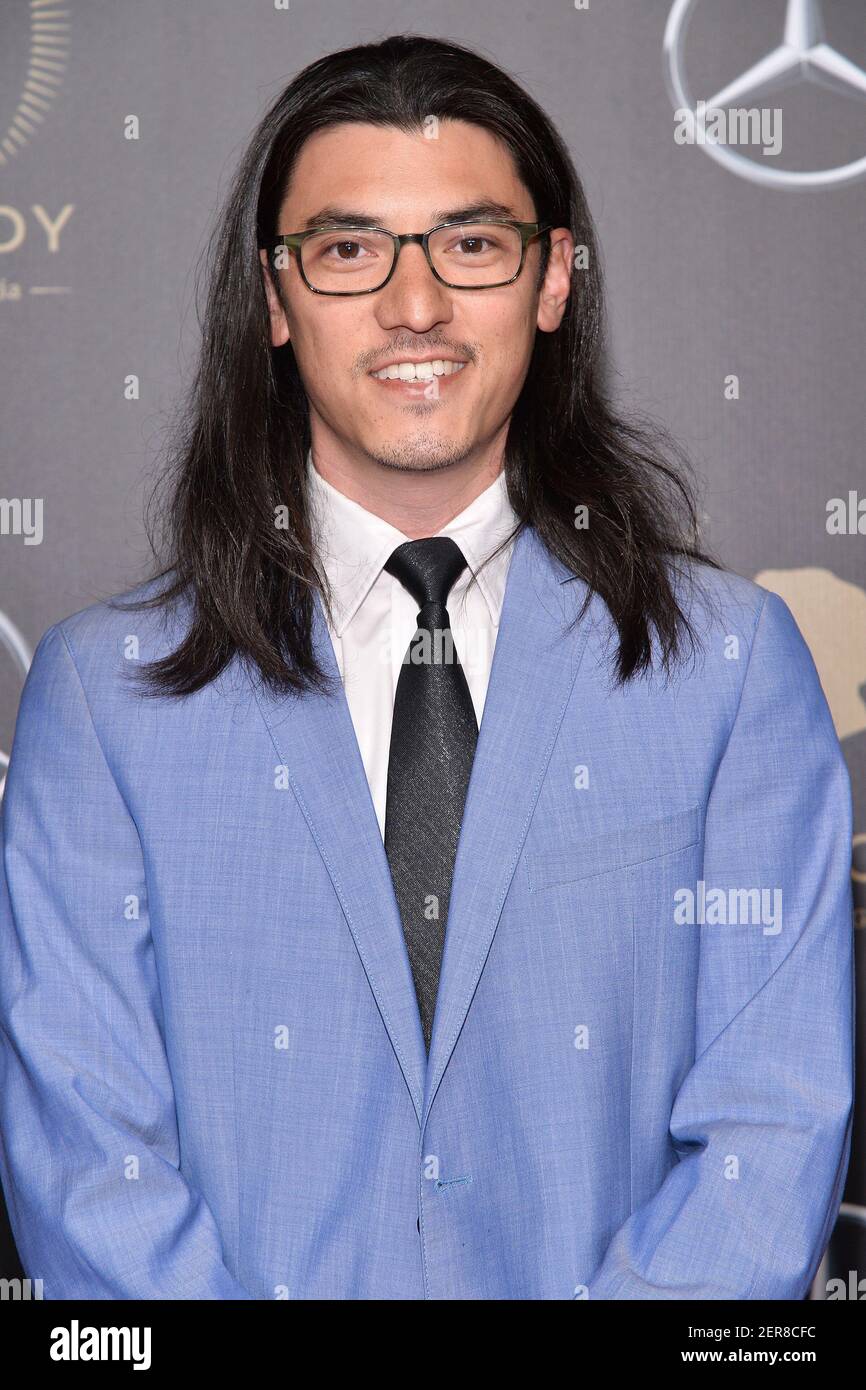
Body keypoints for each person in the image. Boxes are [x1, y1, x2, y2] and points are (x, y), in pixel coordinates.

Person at [0, 34, 853, 1300]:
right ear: (276, 300)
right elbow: (84, 1159)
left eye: (470, 244)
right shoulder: (101, 695)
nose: (415, 307)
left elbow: (770, 1130)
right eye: (349, 250)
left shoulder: (726, 671)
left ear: (551, 279)